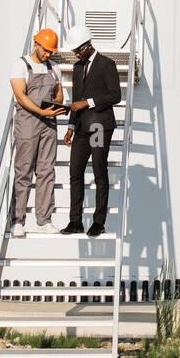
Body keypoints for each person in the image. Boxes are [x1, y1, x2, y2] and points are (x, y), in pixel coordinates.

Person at [60, 25, 121, 236]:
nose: (75, 53)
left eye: (77, 49)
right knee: (74, 173)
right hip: (81, 128)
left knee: (98, 172)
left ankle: (99, 222)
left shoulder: (107, 64)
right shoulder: (77, 68)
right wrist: (70, 126)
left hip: (99, 127)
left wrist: (88, 102)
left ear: (88, 45)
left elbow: (115, 96)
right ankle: (75, 222)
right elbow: (76, 99)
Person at [8, 28, 66, 237]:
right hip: (28, 122)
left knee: (46, 171)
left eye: (51, 51)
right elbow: (20, 96)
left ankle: (44, 219)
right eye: (46, 50)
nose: (48, 54)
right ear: (36, 44)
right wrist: (41, 110)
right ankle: (17, 221)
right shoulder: (21, 65)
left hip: (48, 123)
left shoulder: (55, 68)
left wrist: (57, 104)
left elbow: (59, 93)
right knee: (23, 170)